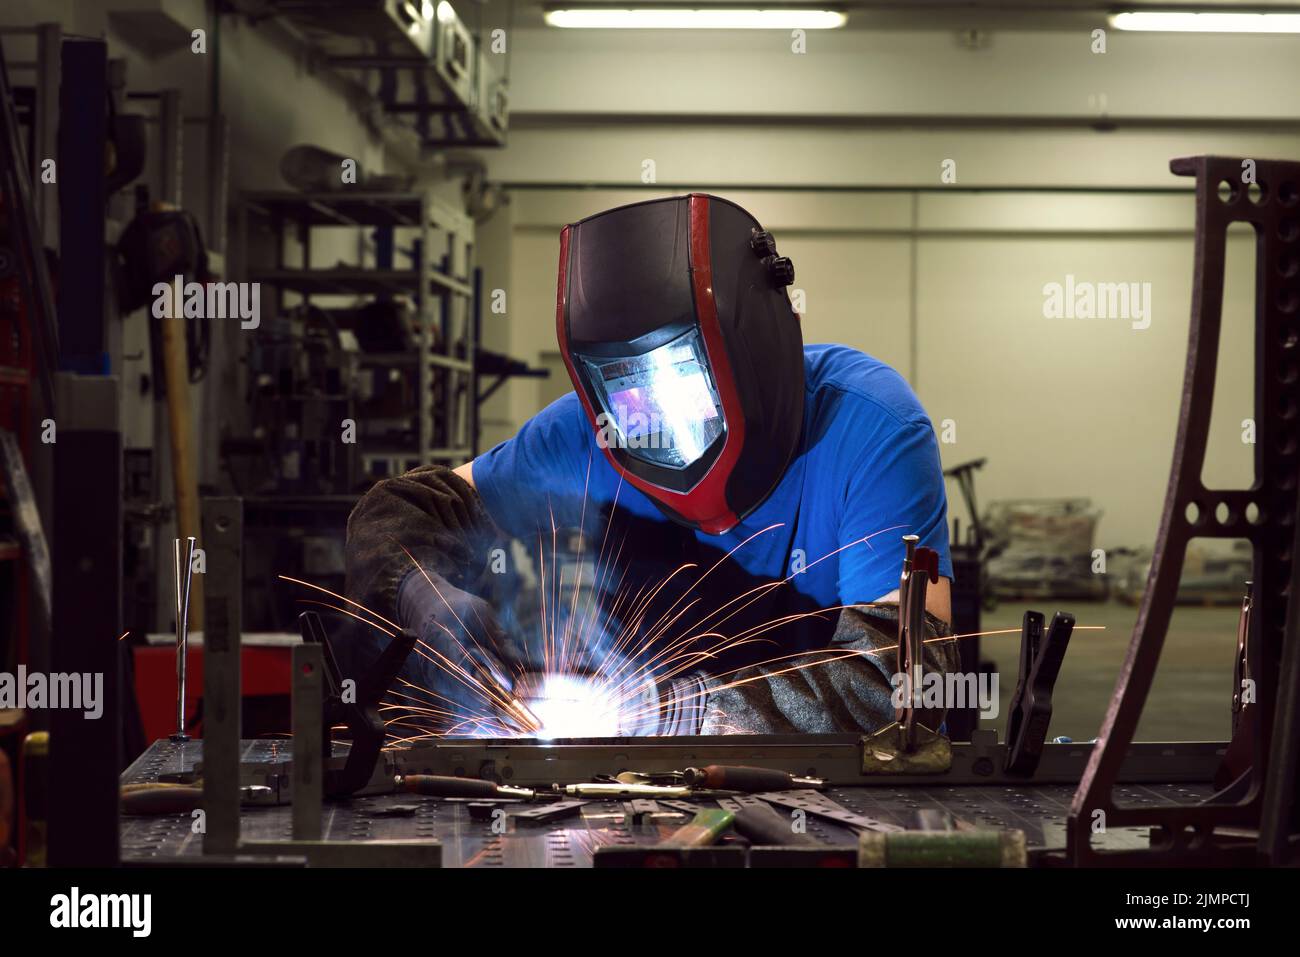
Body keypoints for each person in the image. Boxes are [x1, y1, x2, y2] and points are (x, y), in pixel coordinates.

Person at [345, 194, 957, 738]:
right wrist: (422, 595)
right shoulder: (588, 430)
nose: (660, 419)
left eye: (686, 387)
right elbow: (405, 507)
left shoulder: (872, 428)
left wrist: (677, 715)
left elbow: (904, 680)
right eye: (630, 394)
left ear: (759, 355)